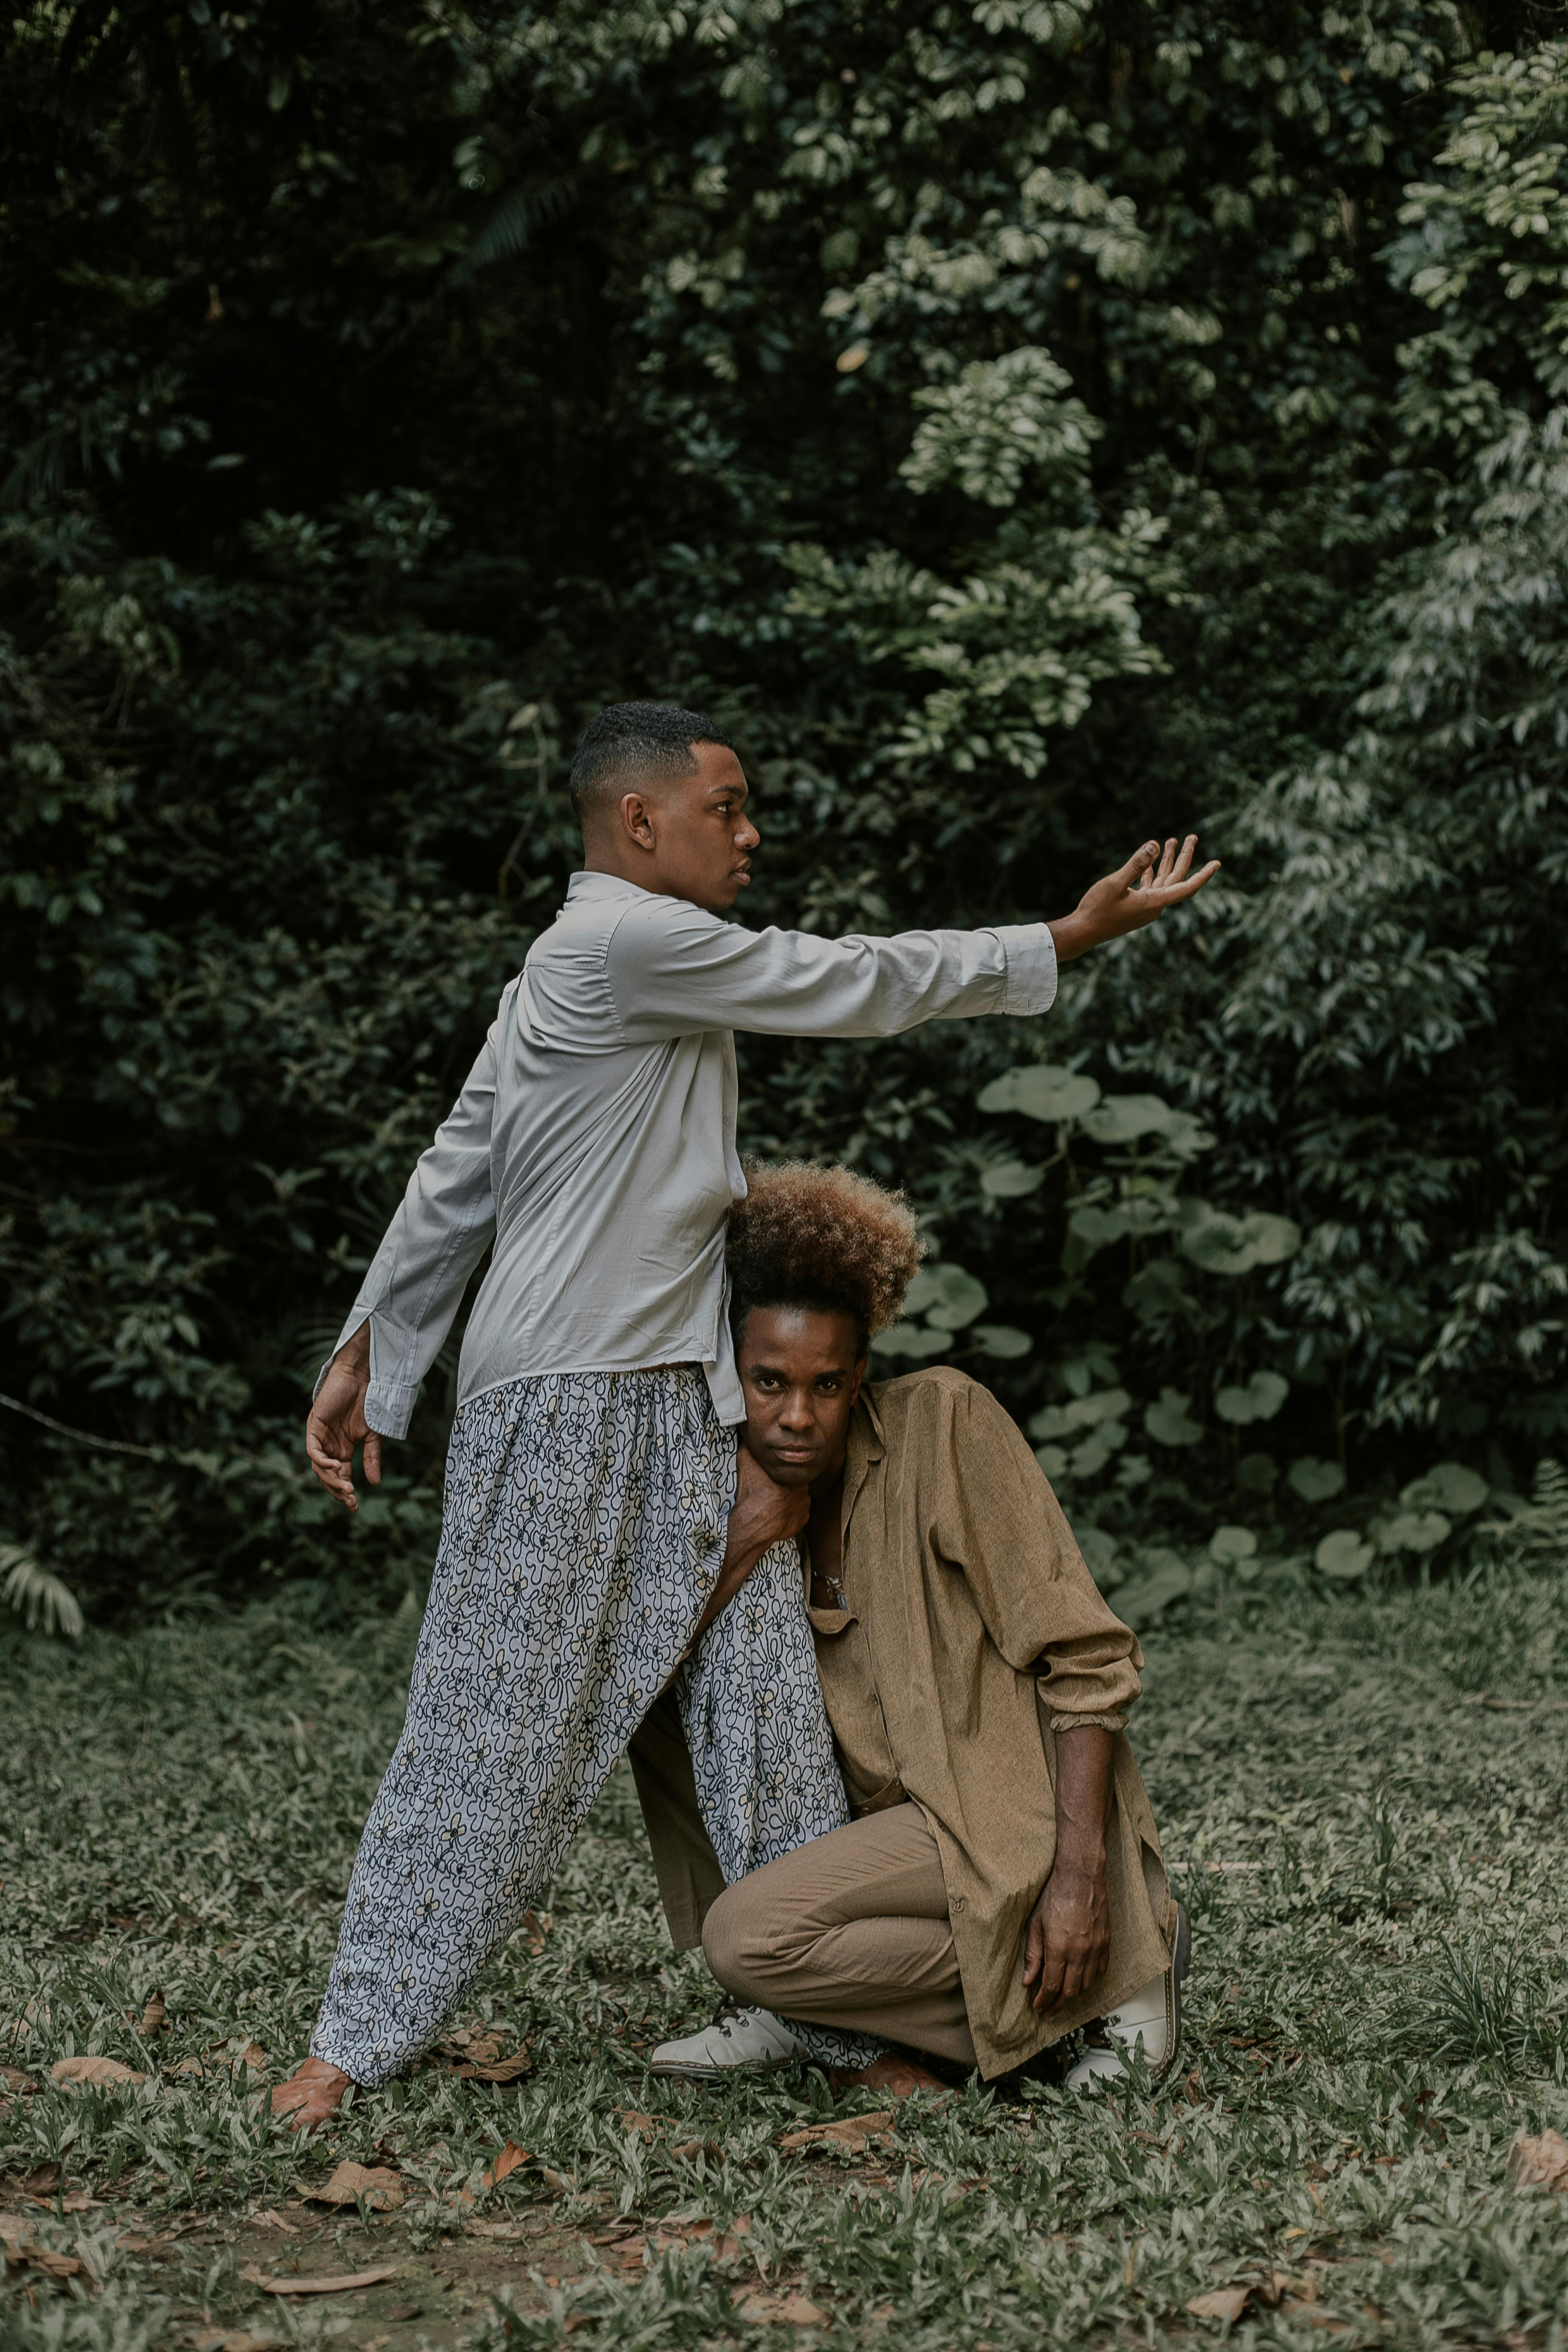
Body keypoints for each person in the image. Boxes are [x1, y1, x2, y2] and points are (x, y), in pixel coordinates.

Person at [274, 700, 1216, 2128]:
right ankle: (352, 2040)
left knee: (756, 1698)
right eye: (727, 806)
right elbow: (845, 980)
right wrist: (1063, 940)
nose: (750, 831)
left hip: (678, 1386)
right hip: (571, 1401)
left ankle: (841, 2031)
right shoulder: (618, 943)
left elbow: (454, 1161)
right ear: (637, 822)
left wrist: (364, 1348)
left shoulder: (575, 966)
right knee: (494, 1727)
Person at [640, 1162, 1187, 2094]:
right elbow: (645, 1677)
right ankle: (959, 2006)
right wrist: (749, 1535)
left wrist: (1078, 1880)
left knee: (748, 1938)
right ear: (731, 1375)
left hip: (997, 1807)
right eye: (770, 1382)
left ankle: (1120, 1958)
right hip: (882, 1833)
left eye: (827, 1384)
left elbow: (1087, 1659)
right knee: (749, 1894)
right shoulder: (714, 1487)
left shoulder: (942, 1425)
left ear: (862, 1376)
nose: (799, 1417)